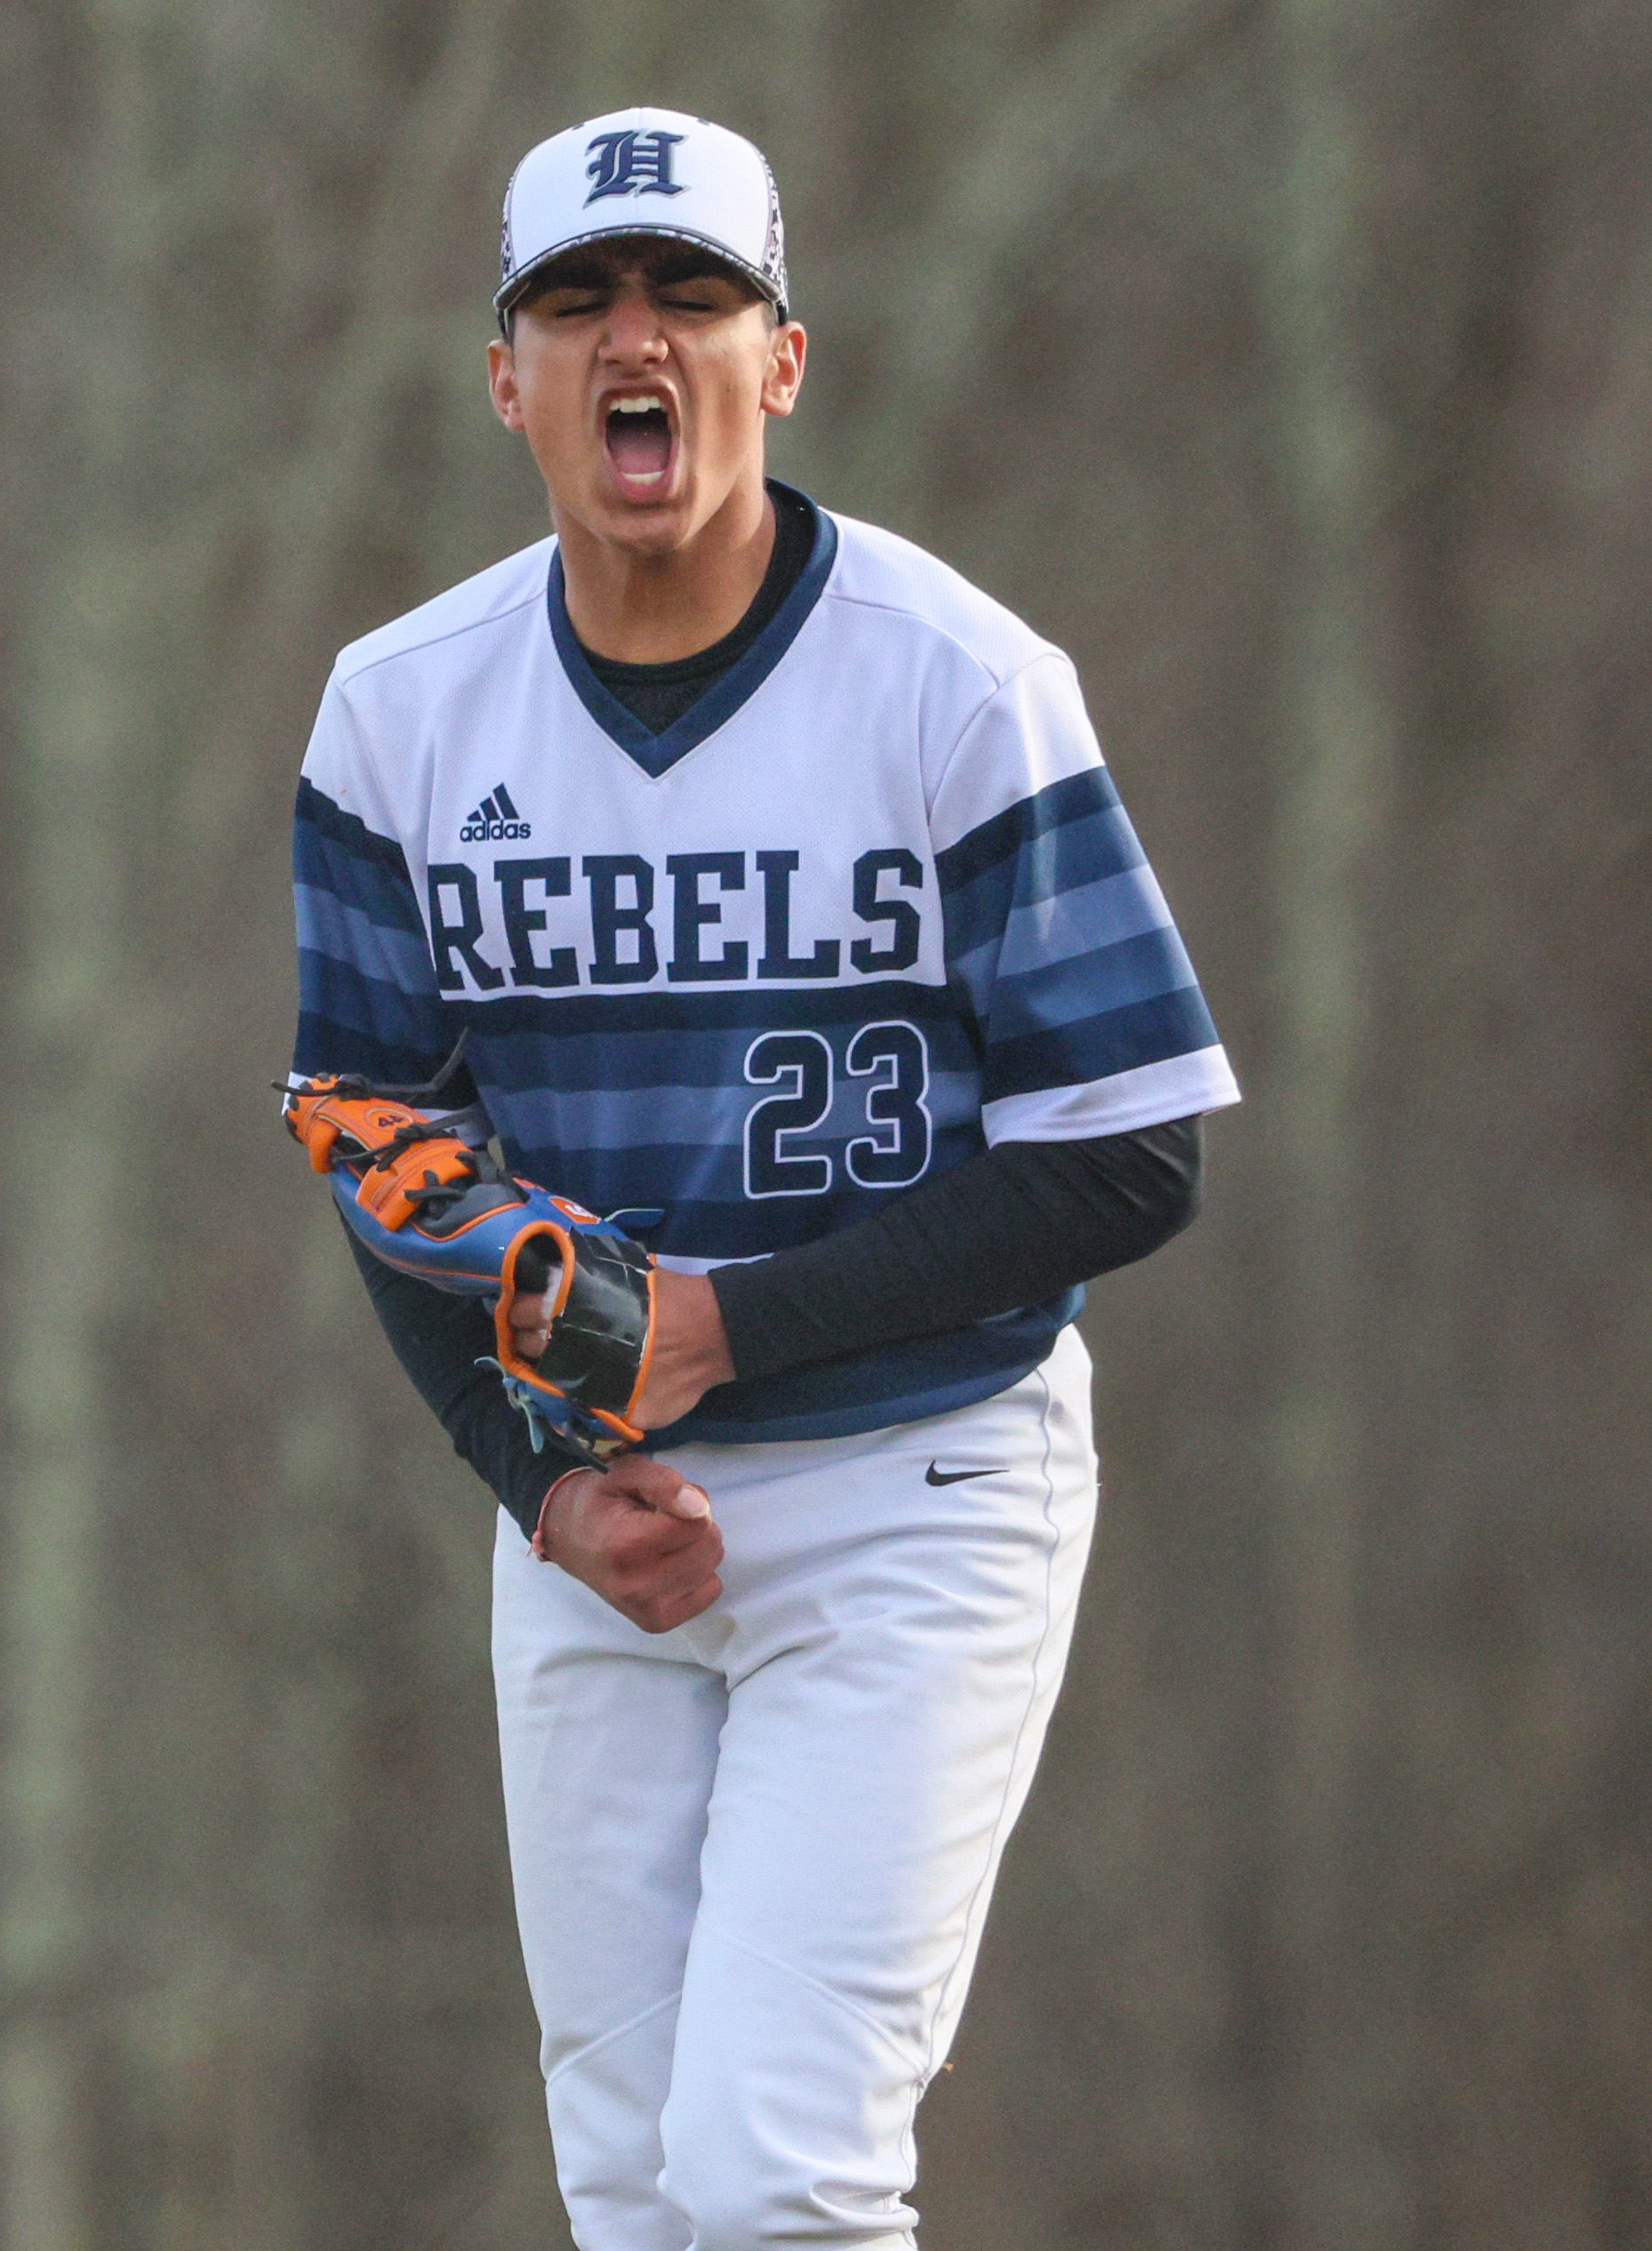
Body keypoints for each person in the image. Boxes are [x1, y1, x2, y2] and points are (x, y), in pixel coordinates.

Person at [289, 105, 1239, 2251]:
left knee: (776, 2177)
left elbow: (1132, 1156)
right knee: (631, 2196)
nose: (643, 340)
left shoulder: (954, 678)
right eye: (583, 302)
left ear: (781, 359)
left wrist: (734, 1328)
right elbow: (373, 1145)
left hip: (925, 1480)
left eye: (695, 298)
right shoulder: (401, 715)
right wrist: (529, 1482)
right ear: (507, 373)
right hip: (594, 1516)